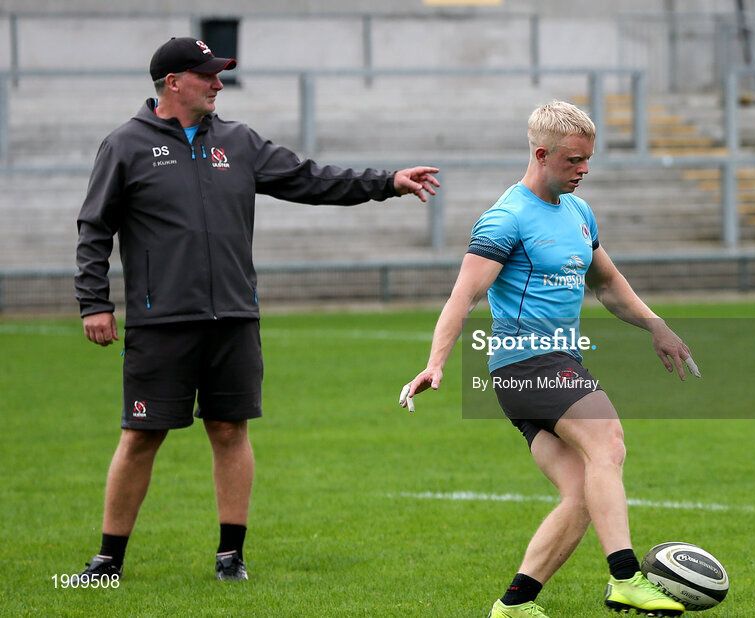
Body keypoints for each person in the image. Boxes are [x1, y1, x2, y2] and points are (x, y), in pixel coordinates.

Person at [73, 36, 440, 583]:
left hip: (235, 318)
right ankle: (107, 561)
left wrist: (385, 183)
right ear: (173, 83)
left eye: (220, 75)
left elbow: (310, 178)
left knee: (230, 431)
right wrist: (93, 302)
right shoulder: (124, 145)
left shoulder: (239, 142)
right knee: (141, 435)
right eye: (208, 76)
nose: (219, 83)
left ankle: (230, 558)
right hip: (162, 322)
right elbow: (94, 227)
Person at [399, 101, 699, 617]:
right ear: (542, 154)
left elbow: (607, 283)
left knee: (583, 491)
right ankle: (626, 577)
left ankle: (514, 604)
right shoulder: (506, 217)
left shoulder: (579, 213)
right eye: (574, 160)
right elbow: (462, 296)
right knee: (608, 440)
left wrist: (656, 324)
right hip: (523, 364)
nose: (584, 170)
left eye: (588, 160)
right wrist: (436, 362)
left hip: (559, 363)